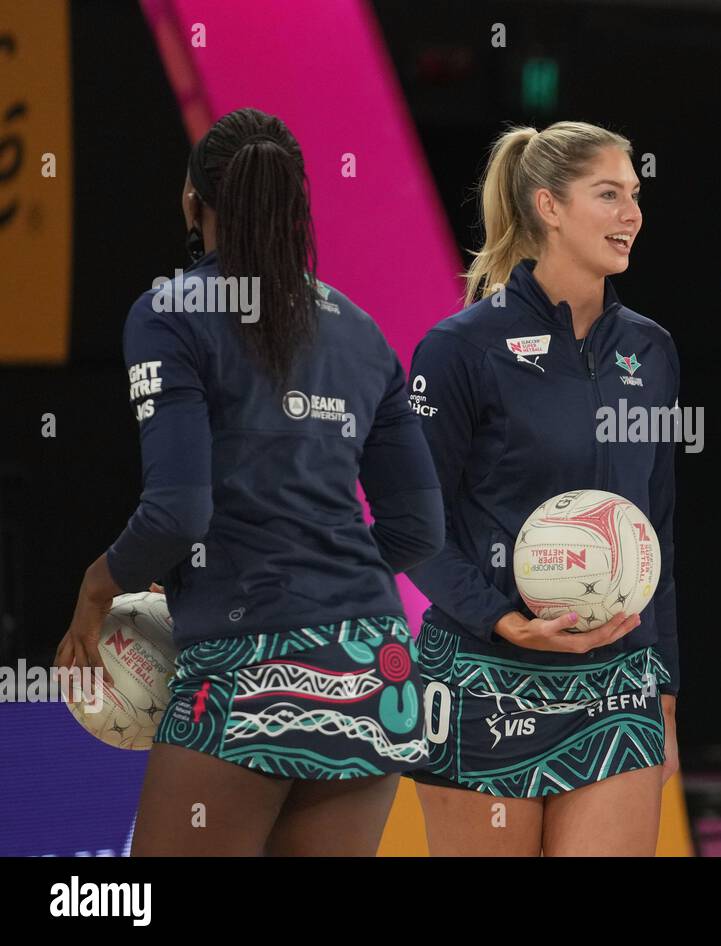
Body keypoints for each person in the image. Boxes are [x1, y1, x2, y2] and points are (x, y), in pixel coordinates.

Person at [55, 107, 445, 856]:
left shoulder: (169, 312)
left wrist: (97, 586)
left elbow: (177, 510)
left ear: (193, 203)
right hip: (376, 672)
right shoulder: (363, 332)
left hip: (248, 664)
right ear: (295, 204)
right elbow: (420, 531)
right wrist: (319, 581)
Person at [404, 121, 681, 856]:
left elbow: (658, 530)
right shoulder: (460, 347)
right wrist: (504, 621)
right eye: (609, 194)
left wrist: (667, 701)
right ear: (548, 206)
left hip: (617, 684)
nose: (632, 213)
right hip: (481, 675)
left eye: (635, 195)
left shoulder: (651, 349)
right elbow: (412, 527)